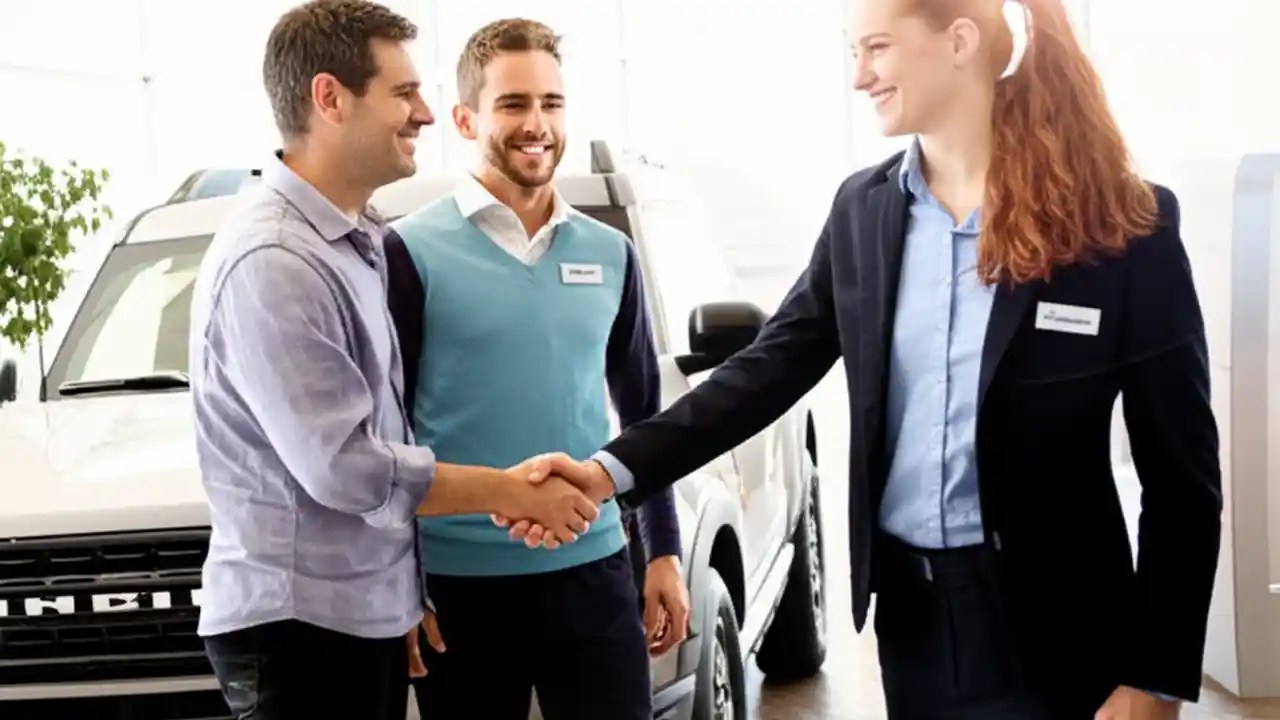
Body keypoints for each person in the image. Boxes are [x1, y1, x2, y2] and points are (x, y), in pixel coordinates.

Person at [509, 1, 1224, 718]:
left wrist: (1154, 678)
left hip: (1064, 630)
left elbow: (1182, 477)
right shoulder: (863, 211)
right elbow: (767, 370)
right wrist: (609, 471)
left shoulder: (1120, 222)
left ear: (959, 42)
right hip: (912, 625)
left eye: (877, 48)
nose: (859, 76)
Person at [188, 3, 598, 719]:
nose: (427, 114)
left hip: (354, 617)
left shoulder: (358, 240)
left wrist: (402, 592)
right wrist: (508, 491)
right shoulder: (275, 260)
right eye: (403, 93)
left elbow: (389, 427)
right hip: (298, 630)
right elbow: (345, 467)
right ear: (330, 99)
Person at [383, 18, 689, 720]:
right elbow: (385, 431)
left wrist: (663, 551)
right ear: (465, 118)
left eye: (551, 104)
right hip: (458, 588)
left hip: (594, 573)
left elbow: (644, 413)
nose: (538, 124)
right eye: (513, 104)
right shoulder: (408, 251)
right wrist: (397, 583)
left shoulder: (610, 253)